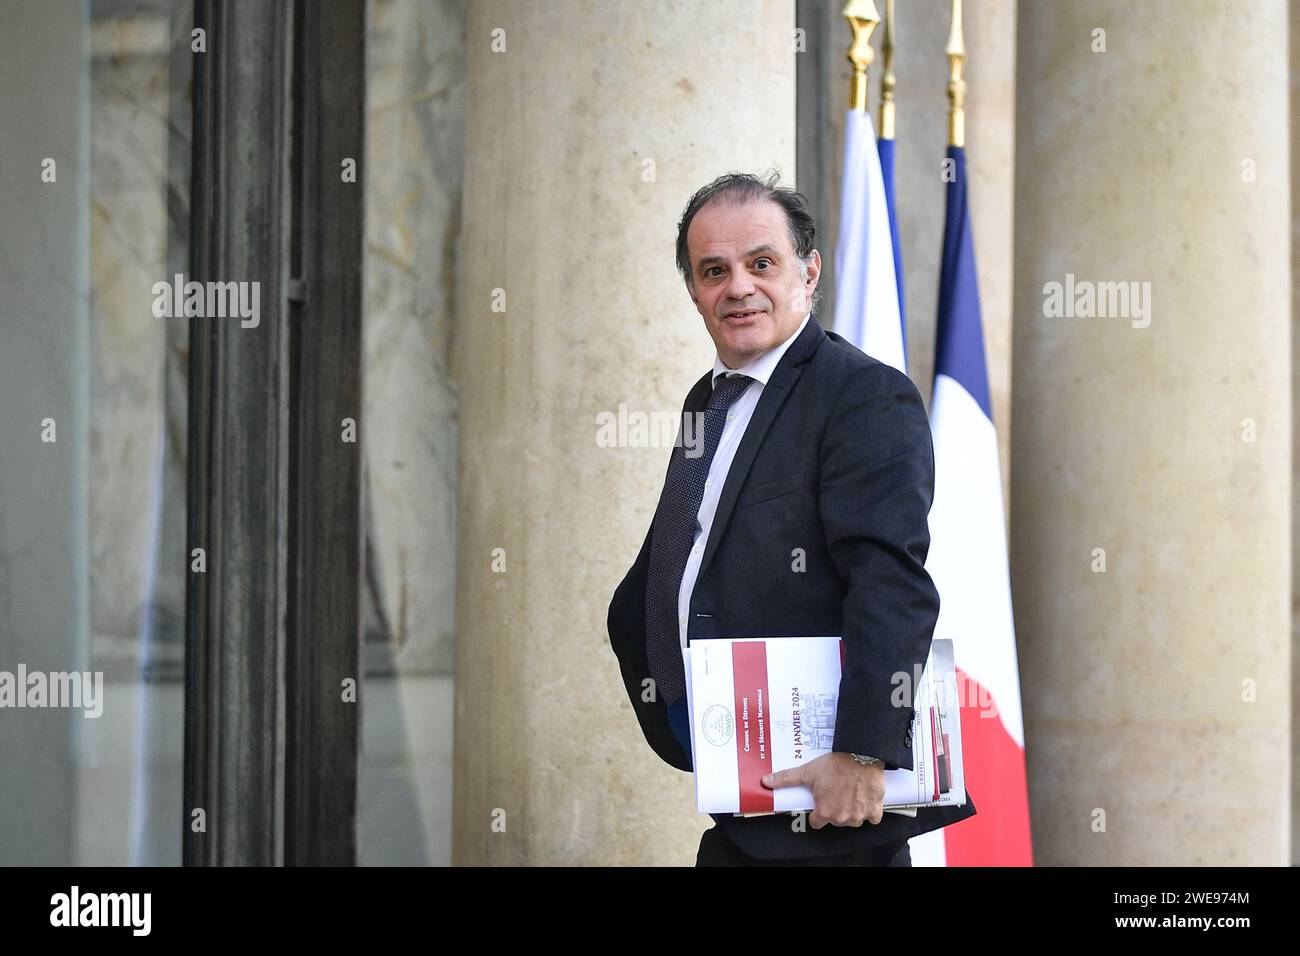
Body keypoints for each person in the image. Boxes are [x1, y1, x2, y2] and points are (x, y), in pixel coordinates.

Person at [606, 171, 977, 866]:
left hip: (830, 816)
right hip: (744, 803)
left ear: (808, 272)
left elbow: (890, 583)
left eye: (762, 263)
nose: (738, 287)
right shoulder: (708, 402)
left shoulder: (860, 395)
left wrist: (863, 753)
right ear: (693, 291)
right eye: (714, 271)